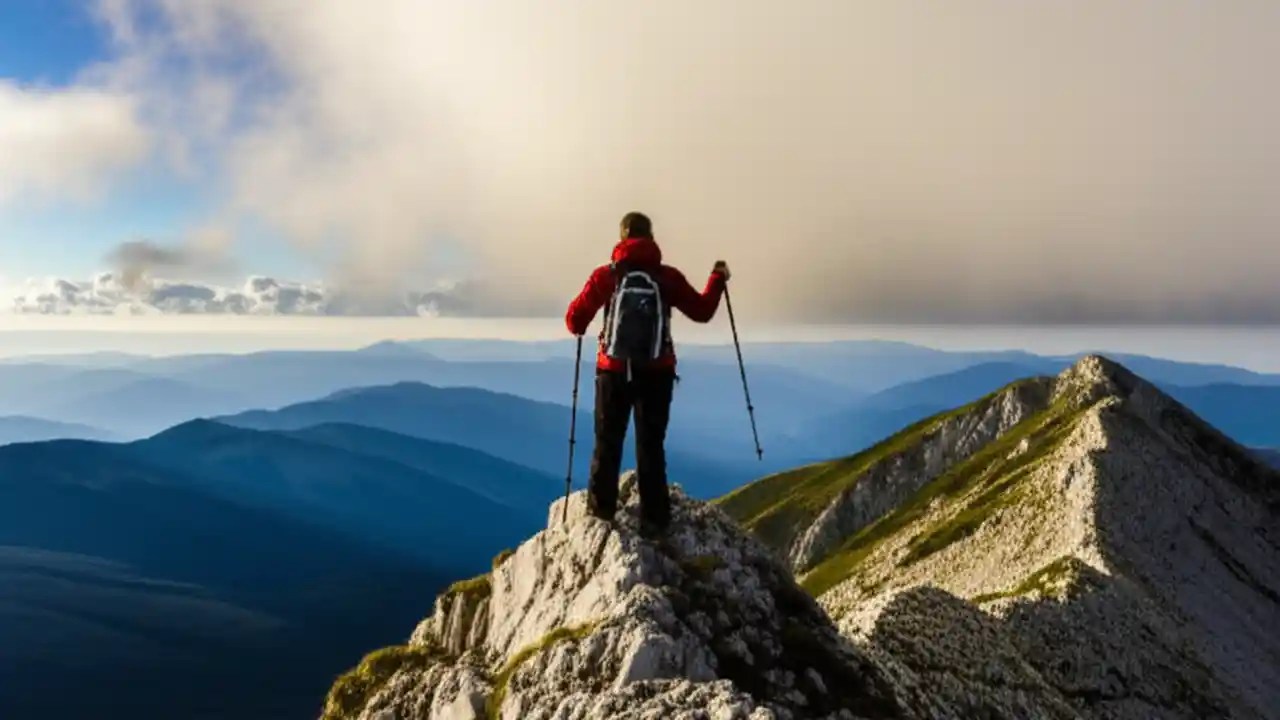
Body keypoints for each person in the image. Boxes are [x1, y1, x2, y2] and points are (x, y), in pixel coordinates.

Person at [565, 211, 730, 535]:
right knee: (651, 445)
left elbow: (574, 322)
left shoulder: (606, 277)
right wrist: (718, 277)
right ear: (651, 238)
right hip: (657, 372)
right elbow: (702, 311)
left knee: (607, 441)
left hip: (612, 371)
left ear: (622, 239)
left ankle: (602, 511)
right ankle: (654, 519)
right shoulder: (666, 277)